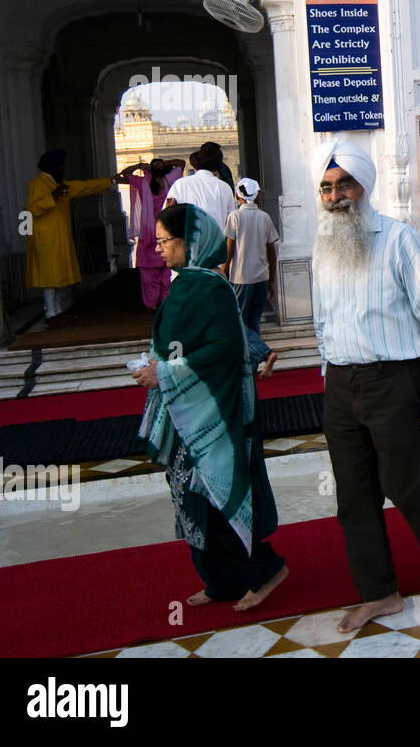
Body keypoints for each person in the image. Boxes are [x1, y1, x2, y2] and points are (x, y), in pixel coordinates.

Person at [311, 140, 420, 634]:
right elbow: (321, 319)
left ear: (364, 187)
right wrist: (327, 373)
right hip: (340, 384)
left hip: (396, 381)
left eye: (343, 186)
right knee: (353, 497)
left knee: (404, 483)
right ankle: (380, 593)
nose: (335, 197)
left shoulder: (398, 239)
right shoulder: (322, 244)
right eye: (327, 188)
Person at [130, 203, 288, 612]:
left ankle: (263, 570)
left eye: (165, 241)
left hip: (214, 411)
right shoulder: (187, 283)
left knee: (214, 492)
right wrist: (157, 367)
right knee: (189, 496)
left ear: (191, 242)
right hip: (187, 409)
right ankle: (221, 581)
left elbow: (224, 350)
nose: (159, 249)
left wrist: (164, 373)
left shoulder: (210, 288)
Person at [24, 148, 121, 320]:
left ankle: (58, 309)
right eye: (60, 166)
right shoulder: (37, 185)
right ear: (52, 167)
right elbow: (31, 210)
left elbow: (84, 187)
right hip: (45, 239)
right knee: (49, 279)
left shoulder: (59, 184)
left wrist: (111, 180)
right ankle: (50, 311)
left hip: (60, 238)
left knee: (60, 276)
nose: (62, 168)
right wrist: (52, 197)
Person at [224, 177, 280, 379]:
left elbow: (229, 250)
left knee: (235, 321)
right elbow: (271, 250)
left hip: (241, 277)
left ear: (237, 195)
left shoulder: (235, 217)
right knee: (253, 322)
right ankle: (253, 365)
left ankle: (265, 353)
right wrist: (272, 280)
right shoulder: (264, 217)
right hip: (261, 276)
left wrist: (223, 271)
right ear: (256, 195)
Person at [120, 157, 184, 311]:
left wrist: (140, 166)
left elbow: (123, 174)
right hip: (166, 231)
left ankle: (152, 304)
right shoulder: (168, 180)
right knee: (168, 270)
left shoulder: (146, 182)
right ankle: (165, 302)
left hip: (150, 233)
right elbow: (181, 163)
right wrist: (164, 164)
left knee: (150, 274)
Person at [167, 145, 236, 233]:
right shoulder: (224, 188)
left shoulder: (179, 185)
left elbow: (166, 217)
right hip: (216, 242)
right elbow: (231, 224)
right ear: (217, 167)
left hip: (188, 242)